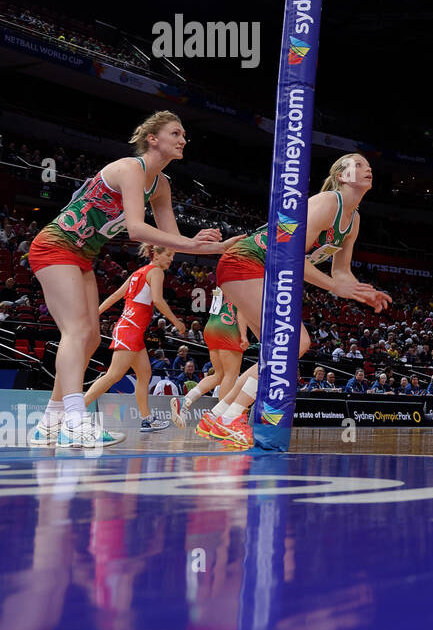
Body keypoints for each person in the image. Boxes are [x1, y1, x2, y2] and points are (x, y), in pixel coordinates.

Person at [26, 111, 234, 449]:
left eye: (185, 135)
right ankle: (75, 421)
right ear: (153, 138)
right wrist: (193, 243)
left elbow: (172, 240)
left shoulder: (161, 184)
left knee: (91, 338)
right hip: (54, 246)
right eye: (176, 133)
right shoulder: (130, 168)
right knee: (77, 332)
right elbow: (137, 229)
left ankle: (49, 423)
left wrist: (218, 246)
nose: (183, 140)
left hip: (83, 255)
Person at [200, 153, 391, 450]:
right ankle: (230, 419)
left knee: (278, 354)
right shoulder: (328, 202)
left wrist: (362, 291)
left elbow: (341, 270)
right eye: (359, 164)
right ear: (342, 175)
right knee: (294, 343)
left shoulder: (353, 220)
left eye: (369, 165)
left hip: (263, 271)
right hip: (247, 260)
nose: (368, 168)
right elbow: (291, 257)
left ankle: (219, 415)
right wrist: (336, 288)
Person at [82, 243, 187, 435]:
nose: (172, 259)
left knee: (145, 374)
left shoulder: (137, 273)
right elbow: (157, 300)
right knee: (114, 375)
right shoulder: (156, 272)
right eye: (169, 254)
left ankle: (147, 419)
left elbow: (114, 296)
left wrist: (93, 315)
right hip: (130, 329)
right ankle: (77, 411)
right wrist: (176, 322)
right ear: (155, 255)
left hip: (131, 329)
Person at [173, 284, 249, 425]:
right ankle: (222, 418)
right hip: (227, 326)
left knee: (218, 374)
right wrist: (244, 335)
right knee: (230, 374)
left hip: (211, 326)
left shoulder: (223, 281)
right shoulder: (241, 281)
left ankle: (185, 401)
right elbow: (241, 312)